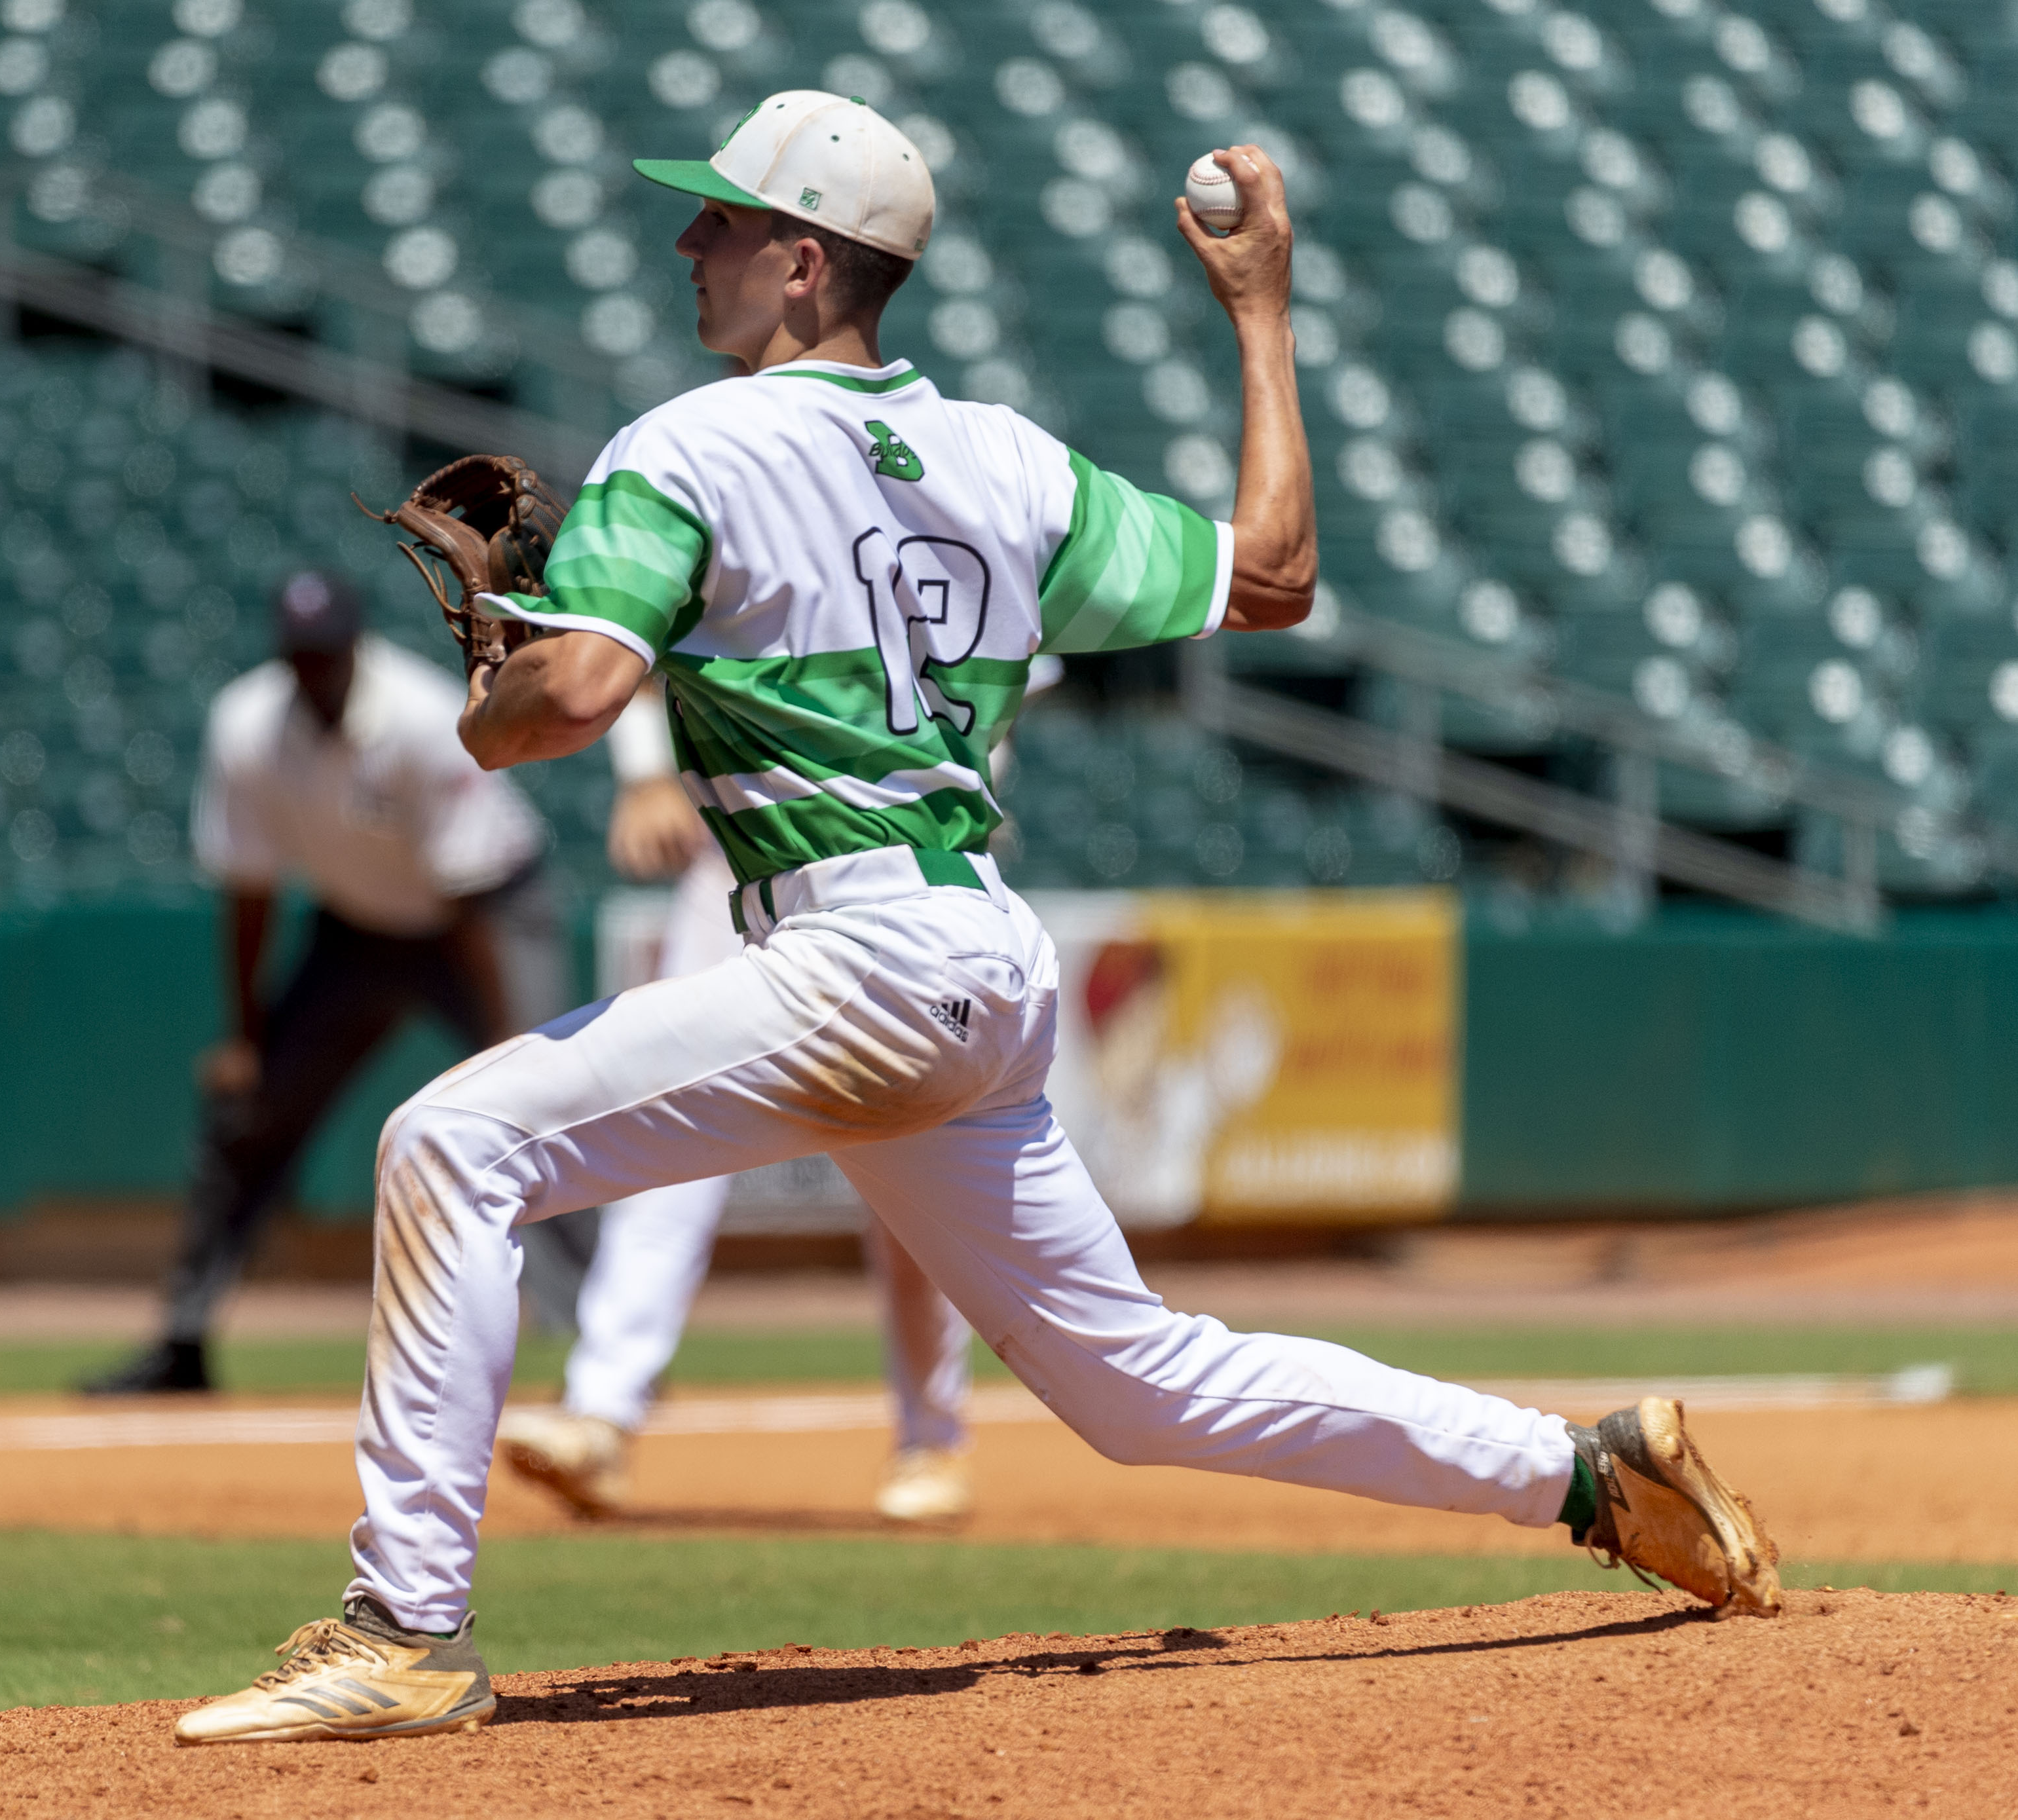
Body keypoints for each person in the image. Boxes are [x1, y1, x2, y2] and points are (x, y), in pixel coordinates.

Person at [174, 98, 1778, 1745]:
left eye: (720, 222)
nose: (687, 245)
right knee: (1134, 1382)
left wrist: (494, 686)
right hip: (975, 962)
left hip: (853, 956)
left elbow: (570, 702)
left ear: (803, 263)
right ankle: (1588, 1476)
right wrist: (1261, 311)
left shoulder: (687, 444)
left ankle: (404, 1633)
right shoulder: (1006, 459)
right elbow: (1279, 575)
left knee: (451, 1144)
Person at [493, 680, 978, 1523]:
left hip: (906, 876)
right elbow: (654, 640)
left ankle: (932, 1439)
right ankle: (601, 1410)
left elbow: (990, 689)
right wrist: (645, 769)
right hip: (739, 864)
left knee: (916, 1164)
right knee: (663, 1126)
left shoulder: (974, 547)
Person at [83, 571, 563, 1395]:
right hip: (354, 931)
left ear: (353, 646)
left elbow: (469, 893)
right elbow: (250, 890)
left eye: (325, 652)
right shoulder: (247, 725)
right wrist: (246, 1036)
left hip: (484, 917)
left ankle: (605, 1350)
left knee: (553, 1110)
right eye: (299, 654)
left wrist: (509, 1045)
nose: (313, 669)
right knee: (249, 1110)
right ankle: (184, 1340)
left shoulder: (418, 716)